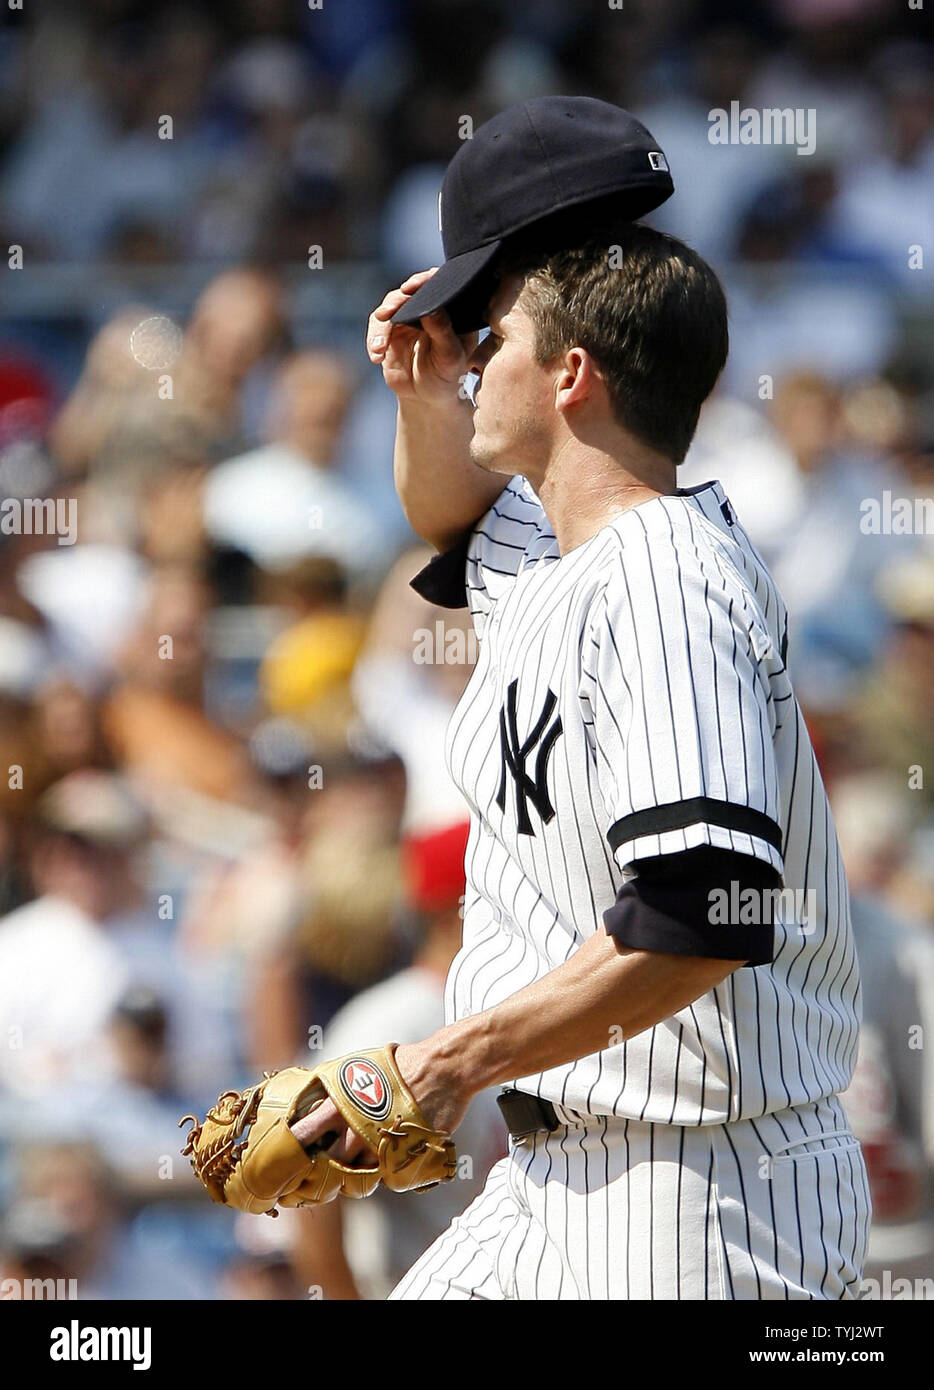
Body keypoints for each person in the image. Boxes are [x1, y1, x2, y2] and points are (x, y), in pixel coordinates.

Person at [290, 96, 870, 1301]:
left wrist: (445, 1064)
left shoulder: (665, 575)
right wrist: (421, 383)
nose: (467, 365)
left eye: (486, 339)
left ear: (568, 374)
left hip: (703, 1197)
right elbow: (450, 517)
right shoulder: (564, 557)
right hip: (562, 1179)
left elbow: (702, 907)